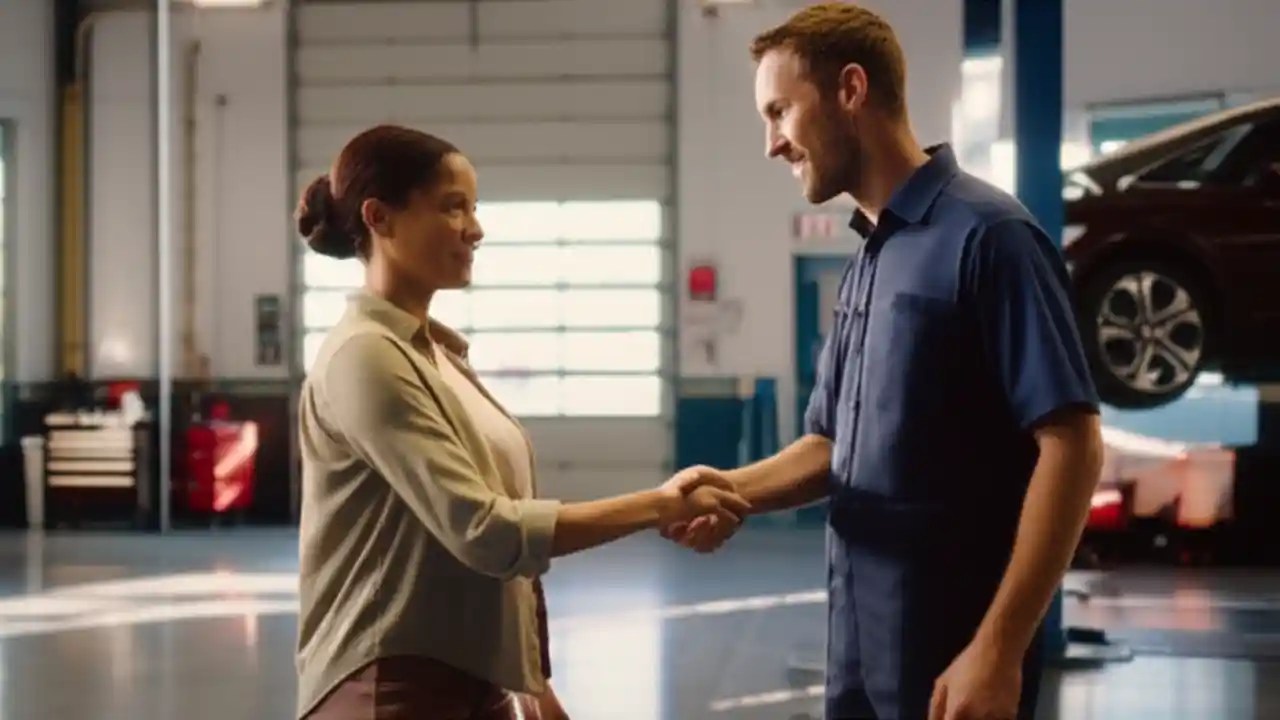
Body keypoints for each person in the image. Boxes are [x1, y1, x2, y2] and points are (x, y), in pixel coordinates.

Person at [663, 5, 1105, 720]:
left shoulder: (991, 238)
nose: (772, 143)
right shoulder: (870, 255)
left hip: (953, 664)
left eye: (780, 111)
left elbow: (1074, 444)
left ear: (851, 90)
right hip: (859, 656)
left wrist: (997, 648)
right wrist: (731, 489)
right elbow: (832, 446)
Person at [293, 124, 751, 720]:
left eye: (474, 208)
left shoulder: (433, 354)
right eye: (452, 207)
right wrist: (662, 505)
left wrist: (530, 684)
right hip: (391, 688)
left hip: (472, 679)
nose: (475, 229)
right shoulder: (366, 356)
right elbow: (488, 532)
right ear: (380, 218)